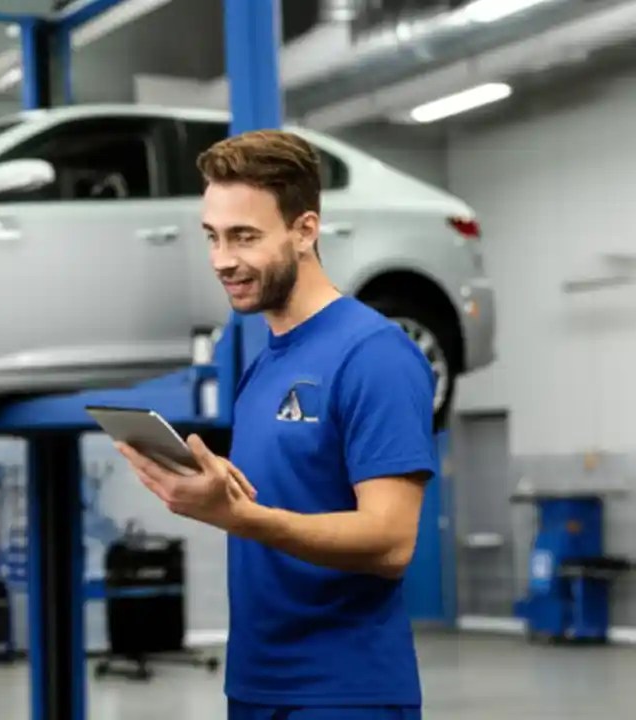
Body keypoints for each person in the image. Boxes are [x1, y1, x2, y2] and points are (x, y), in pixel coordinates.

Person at [116, 130, 437, 720]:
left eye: (244, 237)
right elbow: (280, 503)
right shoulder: (262, 365)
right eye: (212, 237)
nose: (223, 260)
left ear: (305, 230)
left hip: (344, 692)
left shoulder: (375, 354)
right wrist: (218, 491)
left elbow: (392, 543)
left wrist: (243, 517)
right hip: (256, 685)